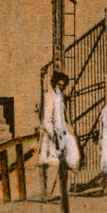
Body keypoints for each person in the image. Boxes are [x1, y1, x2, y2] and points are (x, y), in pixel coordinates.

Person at [40, 70, 72, 200]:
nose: (61, 88)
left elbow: (62, 117)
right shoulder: (49, 96)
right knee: (52, 164)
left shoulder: (60, 98)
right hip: (52, 136)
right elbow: (46, 120)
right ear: (54, 84)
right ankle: (48, 194)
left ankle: (60, 192)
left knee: (64, 162)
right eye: (59, 86)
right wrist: (53, 135)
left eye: (63, 86)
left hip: (62, 134)